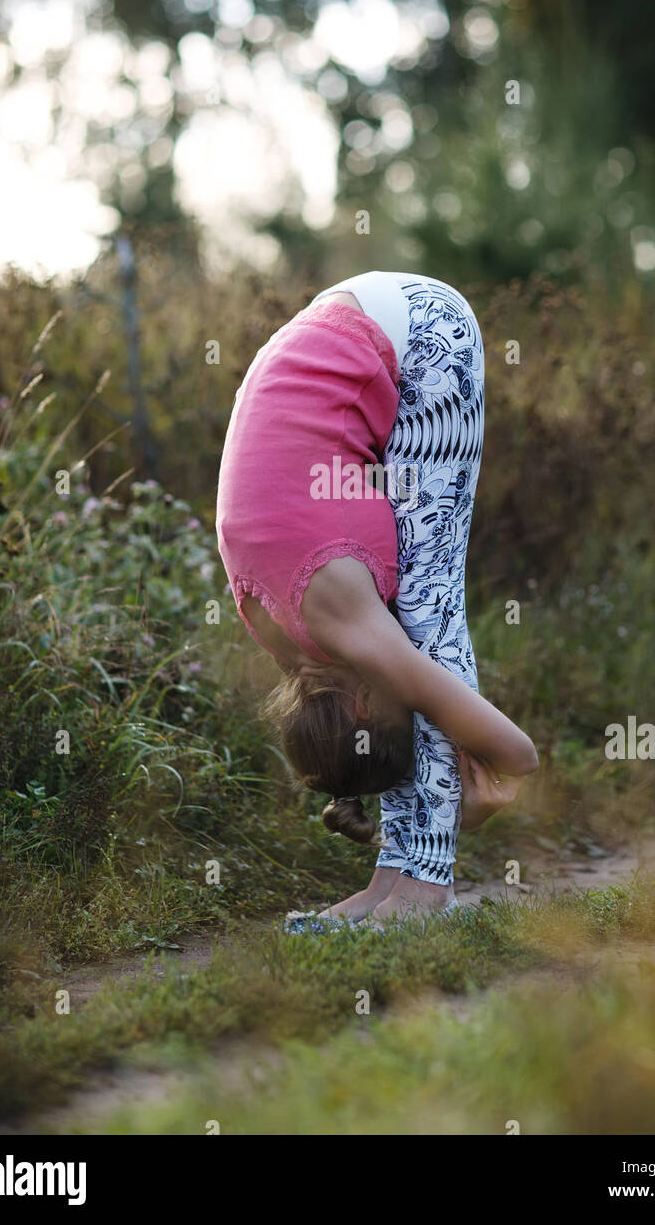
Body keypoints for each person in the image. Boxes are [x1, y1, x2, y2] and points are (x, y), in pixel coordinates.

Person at [216, 272, 537, 925]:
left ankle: (427, 889)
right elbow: (408, 693)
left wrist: (488, 792)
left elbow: (516, 752)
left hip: (421, 331)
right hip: (333, 328)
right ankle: (393, 877)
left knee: (429, 618)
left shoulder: (346, 623)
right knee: (410, 639)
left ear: (361, 700)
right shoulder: (274, 627)